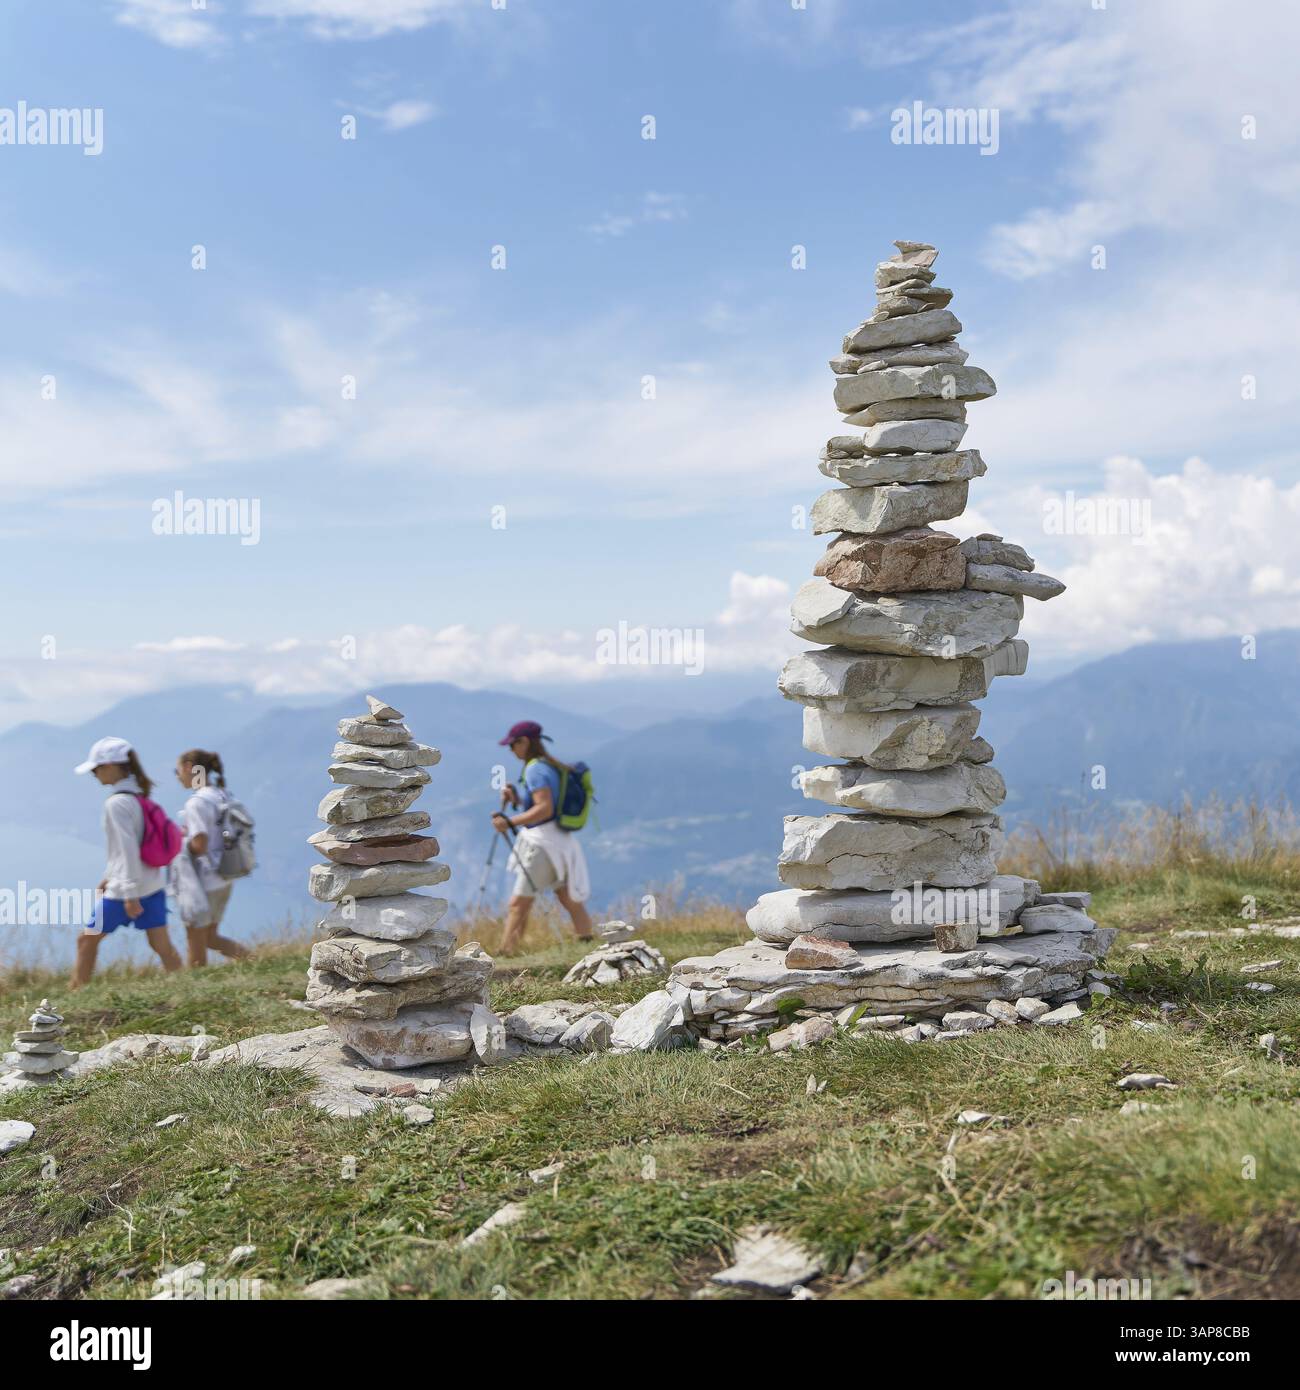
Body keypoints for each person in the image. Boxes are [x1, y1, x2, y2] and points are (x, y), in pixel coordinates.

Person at [70, 737, 182, 989]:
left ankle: (76, 996)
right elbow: (127, 849)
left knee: (86, 941)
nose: (95, 774)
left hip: (126, 892)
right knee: (162, 946)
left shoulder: (117, 803)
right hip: (152, 884)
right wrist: (108, 874)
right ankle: (184, 986)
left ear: (111, 766)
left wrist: (129, 893)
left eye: (96, 769)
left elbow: (127, 849)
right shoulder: (141, 798)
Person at [492, 720, 594, 955]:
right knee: (567, 896)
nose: (511, 750)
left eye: (512, 745)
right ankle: (587, 943)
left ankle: (506, 953)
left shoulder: (534, 769)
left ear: (524, 742)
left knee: (518, 903)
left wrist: (509, 821)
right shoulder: (548, 766)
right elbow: (547, 806)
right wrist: (517, 800)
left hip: (542, 845)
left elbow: (544, 809)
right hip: (560, 841)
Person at [175, 749, 251, 968]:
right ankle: (254, 961)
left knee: (195, 938)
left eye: (178, 771)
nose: (179, 776)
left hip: (204, 881)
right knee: (210, 937)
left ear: (189, 768)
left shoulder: (196, 802)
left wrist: (180, 841)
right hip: (226, 875)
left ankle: (195, 988)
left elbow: (199, 844)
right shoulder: (223, 794)